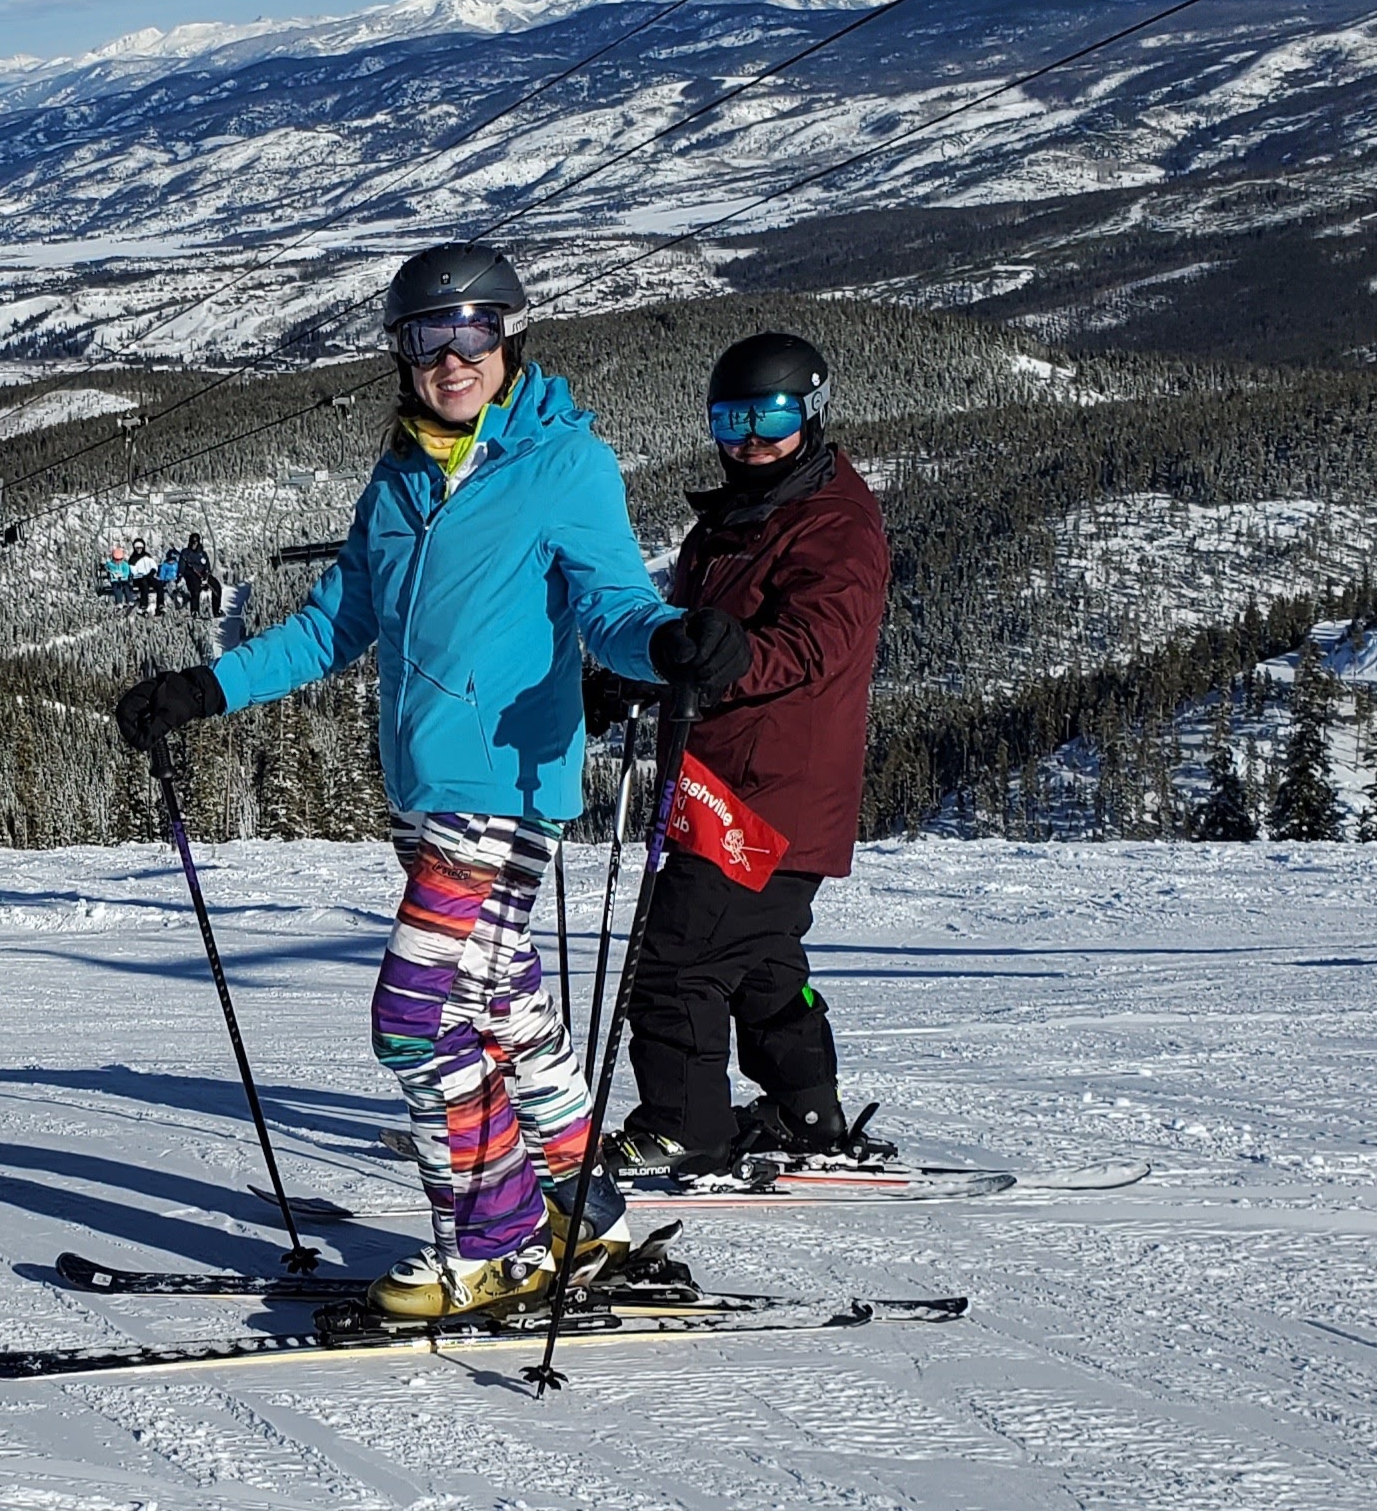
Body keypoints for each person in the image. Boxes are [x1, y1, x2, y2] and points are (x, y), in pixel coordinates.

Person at [113, 245, 750, 1320]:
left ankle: (492, 1241)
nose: (453, 356)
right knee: (507, 1014)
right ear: (401, 352)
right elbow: (333, 624)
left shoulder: (561, 463)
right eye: (428, 336)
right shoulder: (398, 475)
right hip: (421, 789)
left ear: (508, 337)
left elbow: (609, 607)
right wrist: (203, 688)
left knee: (413, 1017)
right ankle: (584, 1220)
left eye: (475, 332)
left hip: (500, 788)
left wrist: (673, 641)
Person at [592, 331, 890, 1176]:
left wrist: (724, 659)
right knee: (758, 962)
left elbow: (812, 642)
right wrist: (641, 678)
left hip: (769, 796)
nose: (750, 438)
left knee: (676, 960)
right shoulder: (747, 512)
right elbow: (707, 640)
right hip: (734, 783)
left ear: (814, 412)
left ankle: (685, 1126)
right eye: (732, 418)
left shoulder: (833, 523)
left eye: (772, 416)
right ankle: (808, 1108)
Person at [180, 532, 222, 620]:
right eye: (192, 543)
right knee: (195, 589)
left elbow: (207, 566)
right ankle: (195, 610)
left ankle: (216, 610)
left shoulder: (202, 554)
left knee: (216, 587)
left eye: (195, 543)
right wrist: (185, 574)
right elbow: (182, 567)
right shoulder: (185, 553)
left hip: (202, 574)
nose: (193, 545)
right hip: (191, 574)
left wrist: (206, 575)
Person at [127, 539, 163, 616]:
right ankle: (143, 605)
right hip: (138, 578)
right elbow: (133, 571)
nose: (139, 550)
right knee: (144, 585)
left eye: (140, 548)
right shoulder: (133, 559)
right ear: (135, 548)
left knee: (159, 584)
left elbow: (154, 566)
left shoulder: (147, 556)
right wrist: (141, 574)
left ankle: (160, 604)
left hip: (149, 576)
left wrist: (151, 573)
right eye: (137, 548)